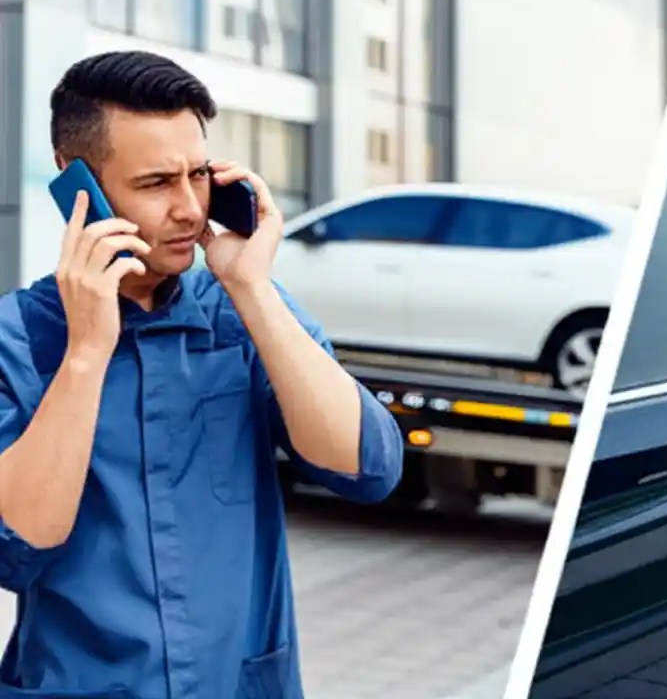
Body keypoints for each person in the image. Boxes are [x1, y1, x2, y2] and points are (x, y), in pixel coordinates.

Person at [0, 50, 405, 697]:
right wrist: (85, 353)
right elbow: (14, 549)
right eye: (157, 183)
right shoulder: (16, 338)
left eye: (198, 174)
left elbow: (367, 470)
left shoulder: (247, 314)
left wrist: (251, 287)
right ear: (77, 184)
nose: (190, 208)